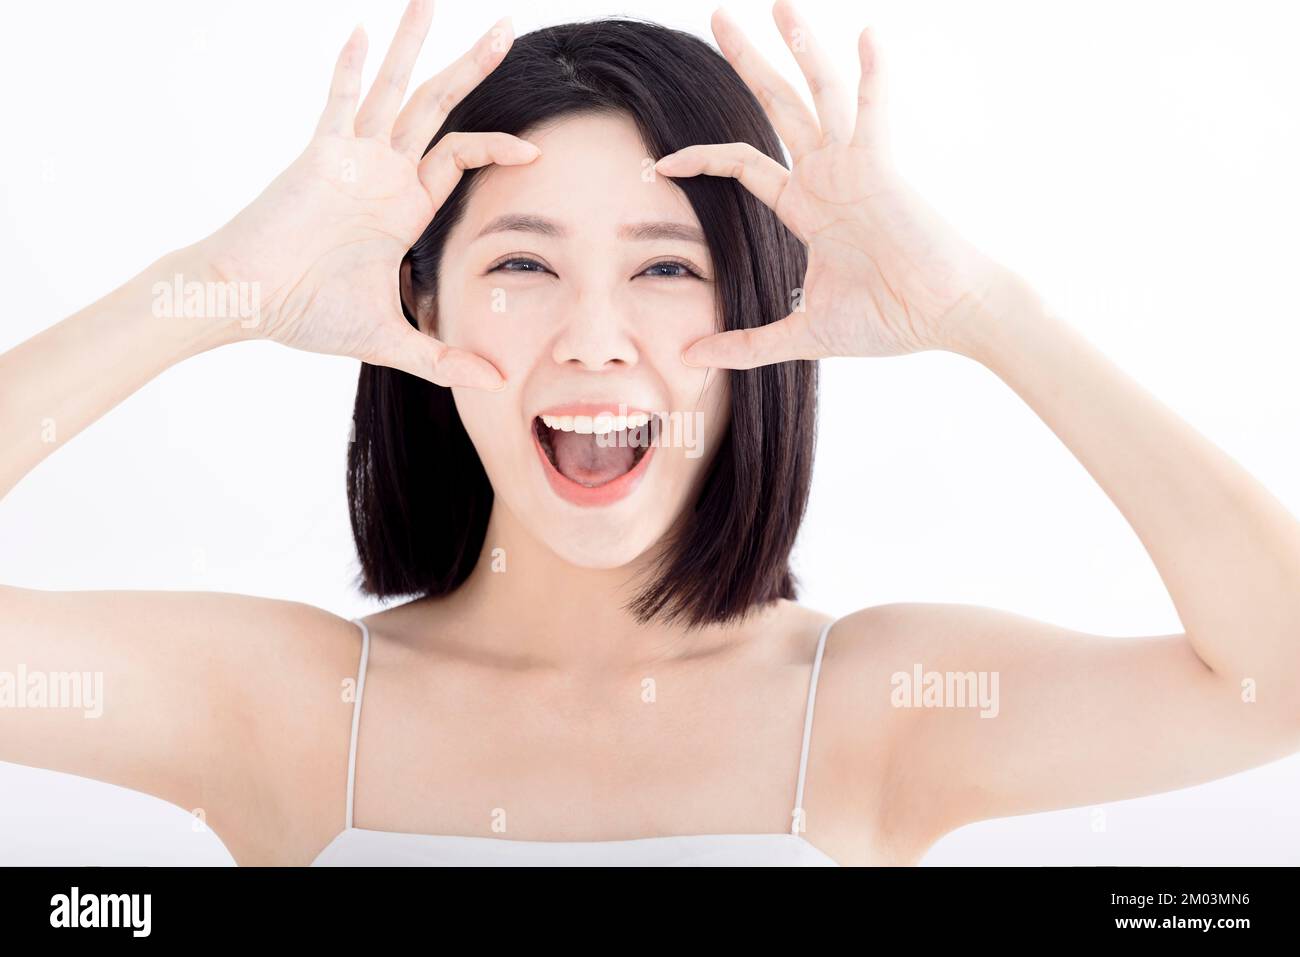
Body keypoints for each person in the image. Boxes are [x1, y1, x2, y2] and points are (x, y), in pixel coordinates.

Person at [2, 0, 1297, 866]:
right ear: (418, 302)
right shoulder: (284, 707)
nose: (594, 339)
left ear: (763, 309)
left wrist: (982, 310)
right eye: (522, 262)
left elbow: (1276, 676)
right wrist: (213, 290)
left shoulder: (874, 709)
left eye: (667, 269)